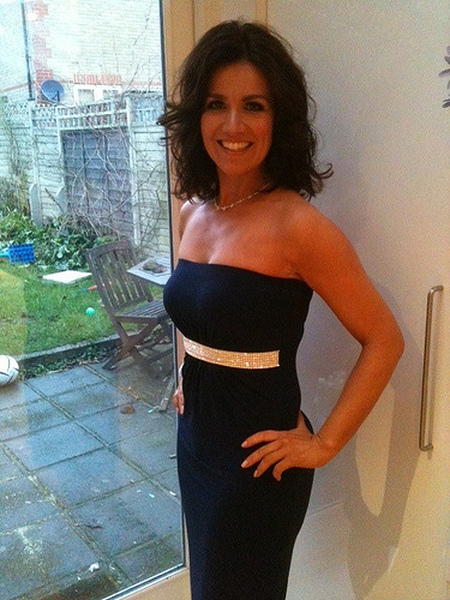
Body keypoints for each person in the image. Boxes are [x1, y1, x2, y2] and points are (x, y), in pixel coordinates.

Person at [159, 20, 404, 600]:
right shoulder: (194, 211)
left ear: (280, 119)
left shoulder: (300, 227)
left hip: (259, 467)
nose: (233, 125)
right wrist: (188, 370)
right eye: (216, 104)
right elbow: (200, 313)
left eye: (254, 106)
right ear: (196, 117)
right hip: (195, 443)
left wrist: (324, 445)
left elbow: (385, 339)